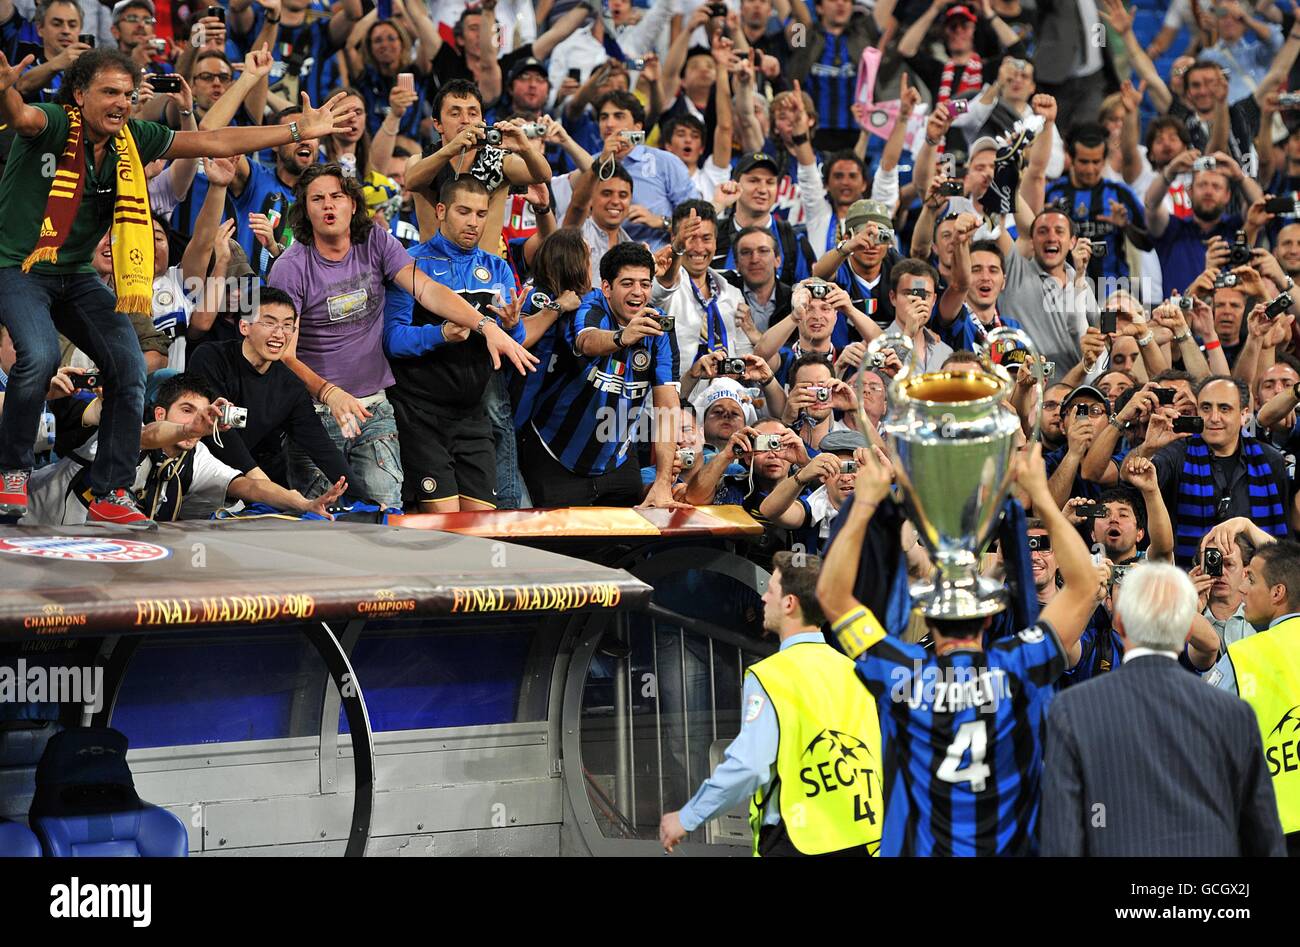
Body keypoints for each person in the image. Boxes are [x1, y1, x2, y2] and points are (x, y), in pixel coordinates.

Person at [0, 47, 351, 526]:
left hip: (76, 274)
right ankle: (12, 471)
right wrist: (4, 90)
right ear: (79, 94)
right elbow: (20, 116)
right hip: (19, 267)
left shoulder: (134, 138)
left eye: (128, 93)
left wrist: (295, 130)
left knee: (128, 363)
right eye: (109, 91)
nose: (122, 102)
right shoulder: (57, 123)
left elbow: (217, 140)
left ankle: (111, 491)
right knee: (39, 357)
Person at [816, 442, 1101, 856]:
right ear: (988, 619)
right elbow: (1085, 587)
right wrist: (1041, 496)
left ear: (929, 621)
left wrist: (863, 504)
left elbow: (832, 594)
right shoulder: (1019, 665)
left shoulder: (899, 672)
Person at [267, 162, 535, 509]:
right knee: (325, 523)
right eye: (317, 199)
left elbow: (426, 288)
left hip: (375, 408)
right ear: (305, 209)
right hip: (319, 412)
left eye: (337, 196)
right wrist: (329, 393)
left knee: (386, 517)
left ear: (352, 202)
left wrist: (485, 327)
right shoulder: (290, 267)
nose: (329, 205)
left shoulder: (376, 241)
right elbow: (283, 354)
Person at [1040, 562, 1285, 857]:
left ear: (1119, 623)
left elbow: (1061, 840)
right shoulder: (1234, 713)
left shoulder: (1072, 711)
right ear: (1185, 628)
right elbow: (1264, 839)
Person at [658, 550, 883, 857]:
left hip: (798, 839)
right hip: (862, 838)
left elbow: (749, 766)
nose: (763, 598)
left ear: (790, 603)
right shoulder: (854, 670)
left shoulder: (770, 675)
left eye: (771, 591)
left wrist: (687, 817)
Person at [23, 372, 347, 524]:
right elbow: (149, 436)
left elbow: (252, 487)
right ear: (162, 412)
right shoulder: (123, 428)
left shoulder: (197, 457)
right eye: (187, 410)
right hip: (25, 525)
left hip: (84, 550)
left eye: (203, 413)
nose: (198, 422)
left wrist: (301, 501)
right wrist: (189, 428)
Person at [384, 176, 526, 512]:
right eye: (464, 212)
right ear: (442, 211)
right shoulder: (411, 264)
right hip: (420, 415)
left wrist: (513, 327)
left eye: (481, 214)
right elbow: (392, 340)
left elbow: (509, 343)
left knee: (482, 527)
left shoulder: (497, 268)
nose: (473, 222)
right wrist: (440, 334)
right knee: (444, 527)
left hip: (472, 415)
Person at [518, 241, 682, 508]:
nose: (638, 293)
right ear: (606, 287)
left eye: (645, 284)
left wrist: (663, 483)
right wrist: (622, 336)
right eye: (627, 283)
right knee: (556, 548)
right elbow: (586, 340)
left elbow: (667, 407)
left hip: (616, 463)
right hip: (556, 455)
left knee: (624, 546)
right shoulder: (589, 306)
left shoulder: (660, 327)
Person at [187, 287, 361, 505]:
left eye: (287, 325)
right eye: (269, 323)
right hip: (194, 477)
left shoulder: (290, 386)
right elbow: (218, 432)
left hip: (248, 488)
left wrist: (361, 499)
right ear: (245, 326)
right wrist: (264, 487)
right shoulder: (210, 358)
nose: (279, 334)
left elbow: (321, 447)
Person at [1201, 532, 1300, 854]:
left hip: (1274, 829)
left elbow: (1193, 721)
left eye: (1251, 580)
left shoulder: (1245, 656)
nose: (1243, 589)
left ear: (1277, 593)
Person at [1150, 376, 1290, 566]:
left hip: (1252, 582)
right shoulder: (1176, 454)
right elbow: (1135, 480)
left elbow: (1283, 540)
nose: (1214, 418)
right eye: (1206, 408)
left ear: (1243, 415)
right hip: (1189, 578)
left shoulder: (1270, 460)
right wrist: (1147, 449)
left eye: (1224, 408)